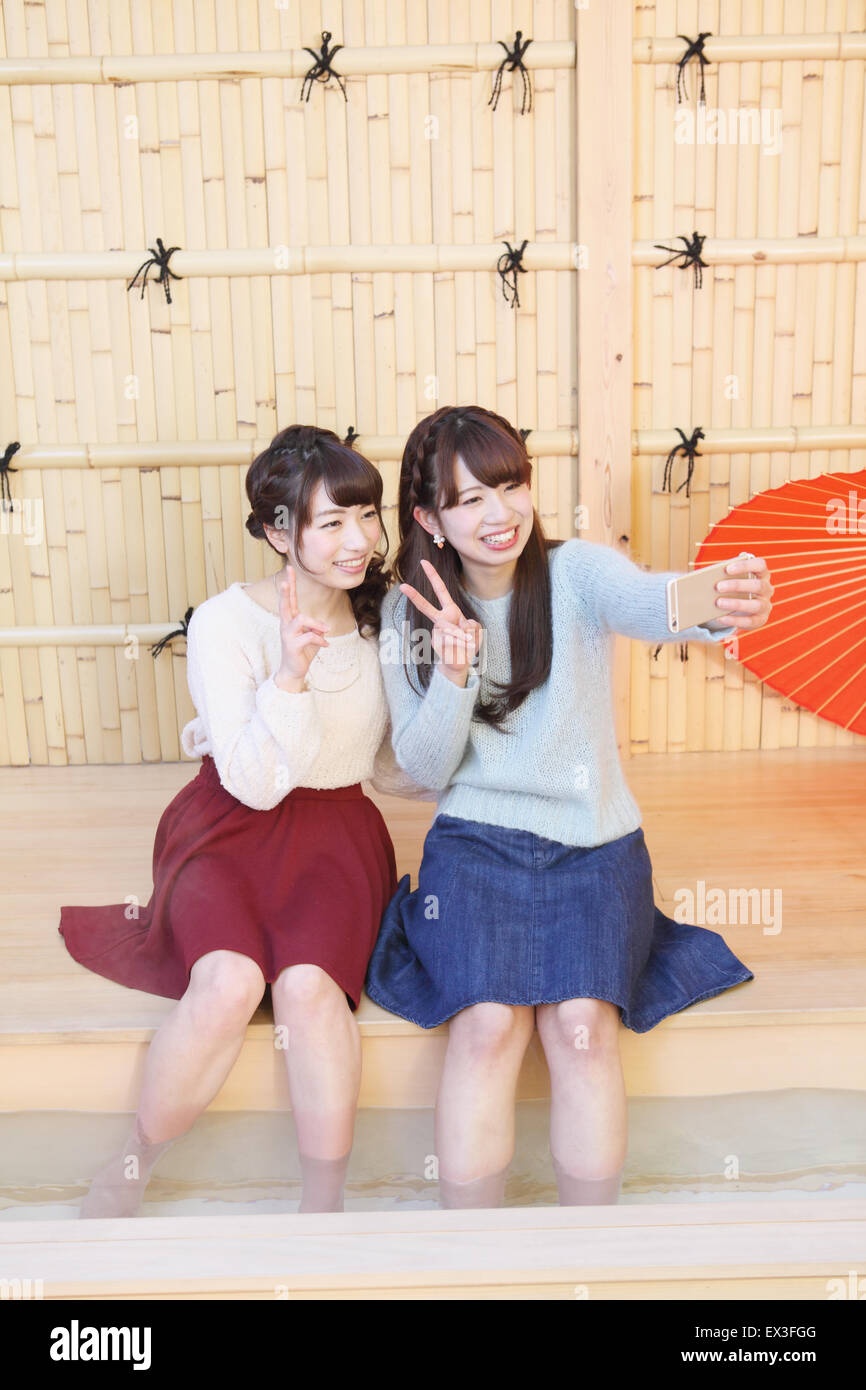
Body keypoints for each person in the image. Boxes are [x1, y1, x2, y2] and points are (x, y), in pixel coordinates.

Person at [364, 404, 773, 1210]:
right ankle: (473, 1257)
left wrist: (723, 598)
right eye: (471, 497)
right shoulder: (407, 613)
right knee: (486, 1026)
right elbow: (422, 765)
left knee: (582, 1027)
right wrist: (451, 677)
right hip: (474, 846)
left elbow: (655, 602)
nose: (500, 513)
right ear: (428, 517)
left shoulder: (577, 572)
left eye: (511, 486)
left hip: (595, 844)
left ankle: (592, 1256)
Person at [58, 425, 432, 1218]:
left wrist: (456, 721)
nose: (358, 540)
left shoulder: (387, 618)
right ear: (275, 531)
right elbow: (257, 784)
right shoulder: (226, 624)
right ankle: (135, 1161)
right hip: (227, 828)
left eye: (365, 516)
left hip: (336, 837)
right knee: (227, 982)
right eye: (330, 523)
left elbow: (391, 765)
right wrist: (291, 679)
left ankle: (322, 1203)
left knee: (306, 989)